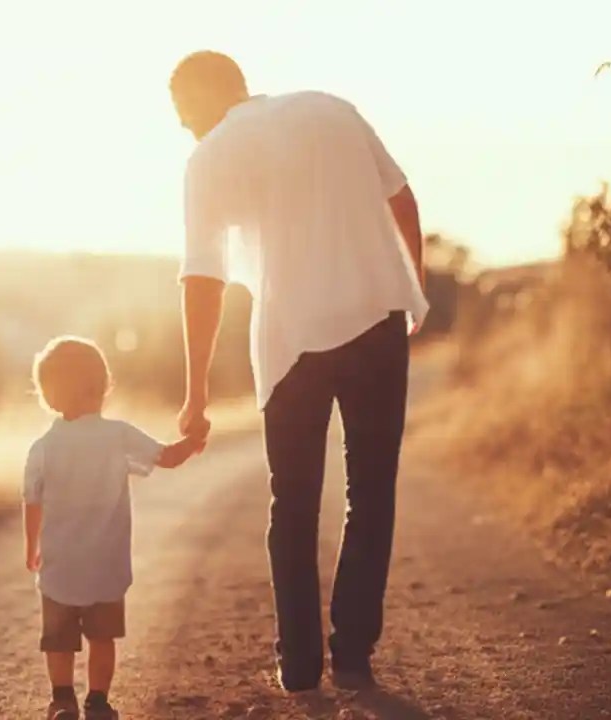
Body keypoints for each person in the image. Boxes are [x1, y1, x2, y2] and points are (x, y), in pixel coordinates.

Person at [169, 51, 430, 692]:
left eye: (182, 114)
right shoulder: (330, 108)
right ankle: (352, 654)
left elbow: (203, 276)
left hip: (290, 343)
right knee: (372, 491)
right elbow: (403, 198)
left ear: (204, 96)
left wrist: (196, 391)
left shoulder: (210, 157)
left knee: (293, 503)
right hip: (377, 319)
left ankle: (301, 664)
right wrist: (412, 291)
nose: (184, 129)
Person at [22, 336, 202, 719]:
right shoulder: (118, 435)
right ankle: (98, 702)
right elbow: (166, 457)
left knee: (58, 640)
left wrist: (30, 546)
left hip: (59, 565)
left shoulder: (42, 447)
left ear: (49, 396)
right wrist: (193, 440)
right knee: (103, 638)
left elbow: (32, 501)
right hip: (106, 562)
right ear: (103, 386)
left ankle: (62, 700)